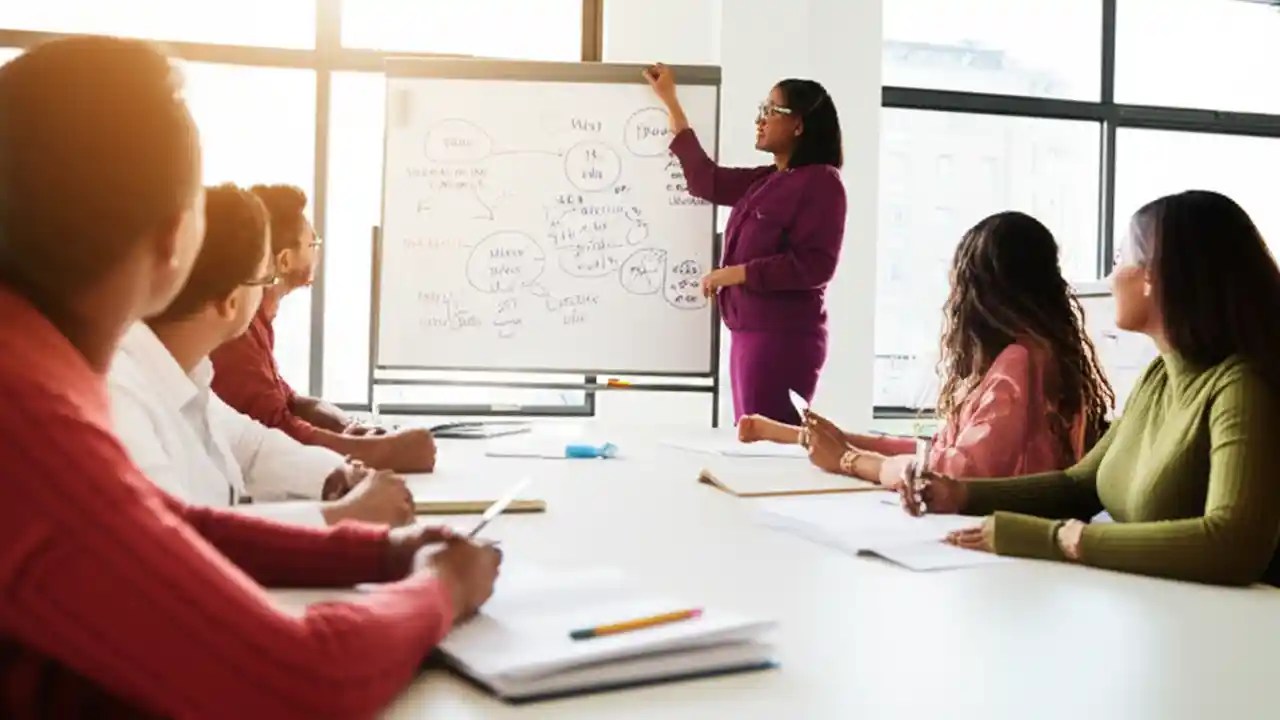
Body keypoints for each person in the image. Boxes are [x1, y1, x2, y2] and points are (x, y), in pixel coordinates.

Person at [0, 36, 499, 717]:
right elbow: (301, 680)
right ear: (180, 238)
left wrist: (379, 553)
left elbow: (164, 527)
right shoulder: (28, 414)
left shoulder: (32, 352)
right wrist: (443, 586)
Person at [904, 191, 1280, 586]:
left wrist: (1063, 540)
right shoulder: (1159, 376)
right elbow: (1078, 484)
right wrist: (960, 495)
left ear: (1155, 276)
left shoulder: (1241, 387)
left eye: (1119, 260)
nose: (1110, 278)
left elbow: (1233, 543)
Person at [109, 183, 413, 528]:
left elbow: (251, 446)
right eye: (265, 278)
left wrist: (337, 475)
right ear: (231, 301)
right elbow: (177, 534)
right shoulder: (120, 392)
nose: (271, 288)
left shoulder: (188, 373)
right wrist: (338, 515)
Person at [742, 212, 1115, 487]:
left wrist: (848, 458)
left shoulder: (1021, 360)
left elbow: (958, 471)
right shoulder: (1026, 356)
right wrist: (839, 439)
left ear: (980, 291)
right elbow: (937, 450)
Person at [644, 63, 846, 425]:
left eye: (771, 110)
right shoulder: (768, 180)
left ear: (799, 124)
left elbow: (815, 266)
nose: (761, 119)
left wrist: (733, 274)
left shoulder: (821, 182)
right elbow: (706, 181)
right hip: (750, 334)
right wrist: (671, 102)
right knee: (751, 437)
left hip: (781, 338)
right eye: (761, 110)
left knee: (763, 446)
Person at [209, 183, 437, 472]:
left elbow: (287, 401)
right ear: (284, 261)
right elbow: (275, 432)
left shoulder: (258, 323)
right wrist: (383, 452)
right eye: (312, 244)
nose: (318, 253)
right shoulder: (236, 331)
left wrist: (350, 427)